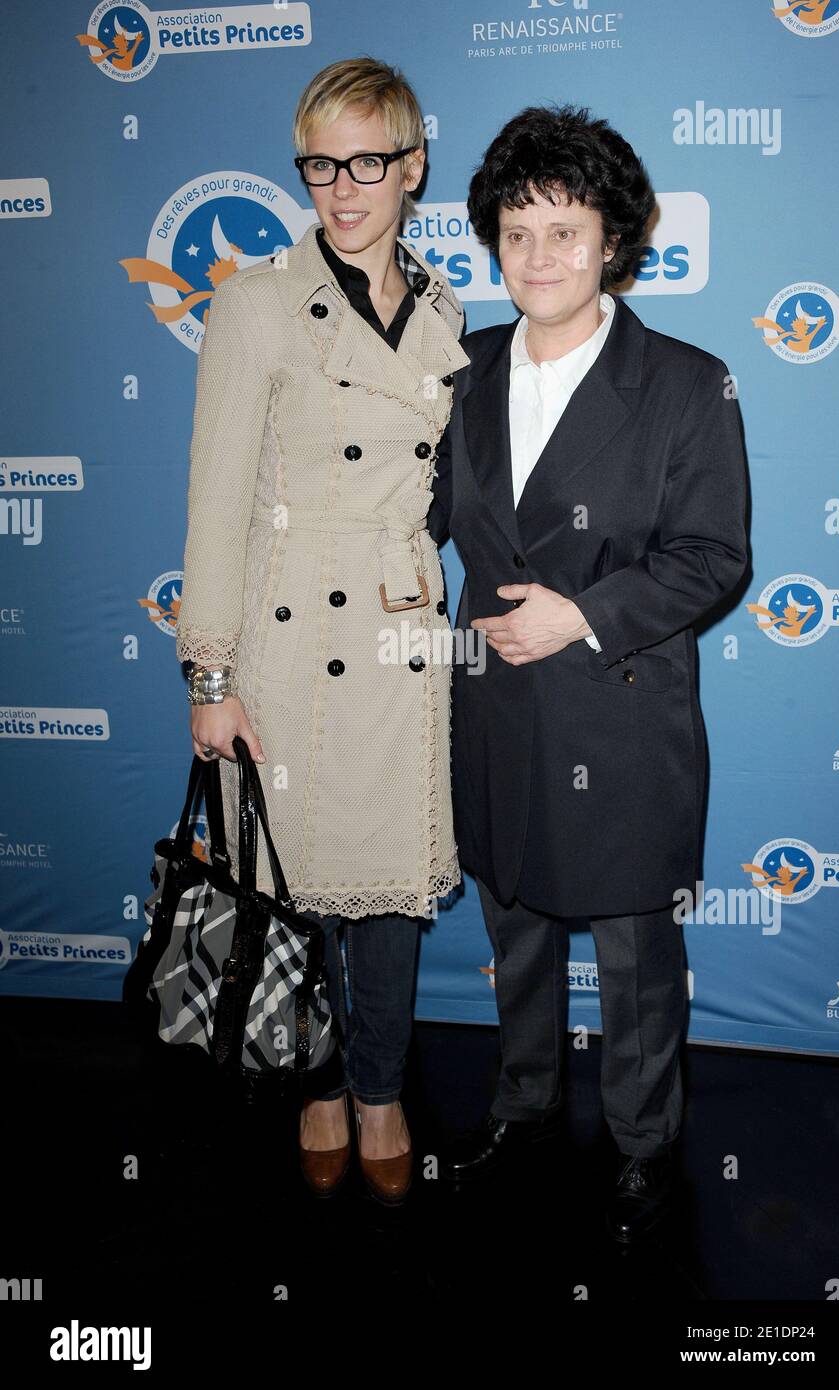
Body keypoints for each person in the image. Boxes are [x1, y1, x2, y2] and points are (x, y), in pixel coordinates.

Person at [428, 104, 749, 1241]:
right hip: (495, 706)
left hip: (619, 714)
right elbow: (413, 518)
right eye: (516, 232)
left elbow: (714, 556)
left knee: (633, 956)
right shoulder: (454, 370)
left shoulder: (683, 381)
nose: (539, 257)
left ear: (612, 238)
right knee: (512, 930)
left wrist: (582, 614)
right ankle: (519, 1113)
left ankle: (643, 1148)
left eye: (564, 231)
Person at [175, 57, 469, 1206]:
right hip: (288, 635)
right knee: (296, 884)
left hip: (400, 630)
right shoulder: (252, 303)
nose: (341, 189)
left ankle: (384, 1087)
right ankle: (319, 1080)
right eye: (318, 164)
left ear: (410, 168)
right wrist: (211, 668)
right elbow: (214, 502)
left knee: (390, 888)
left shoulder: (444, 310)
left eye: (366, 163)